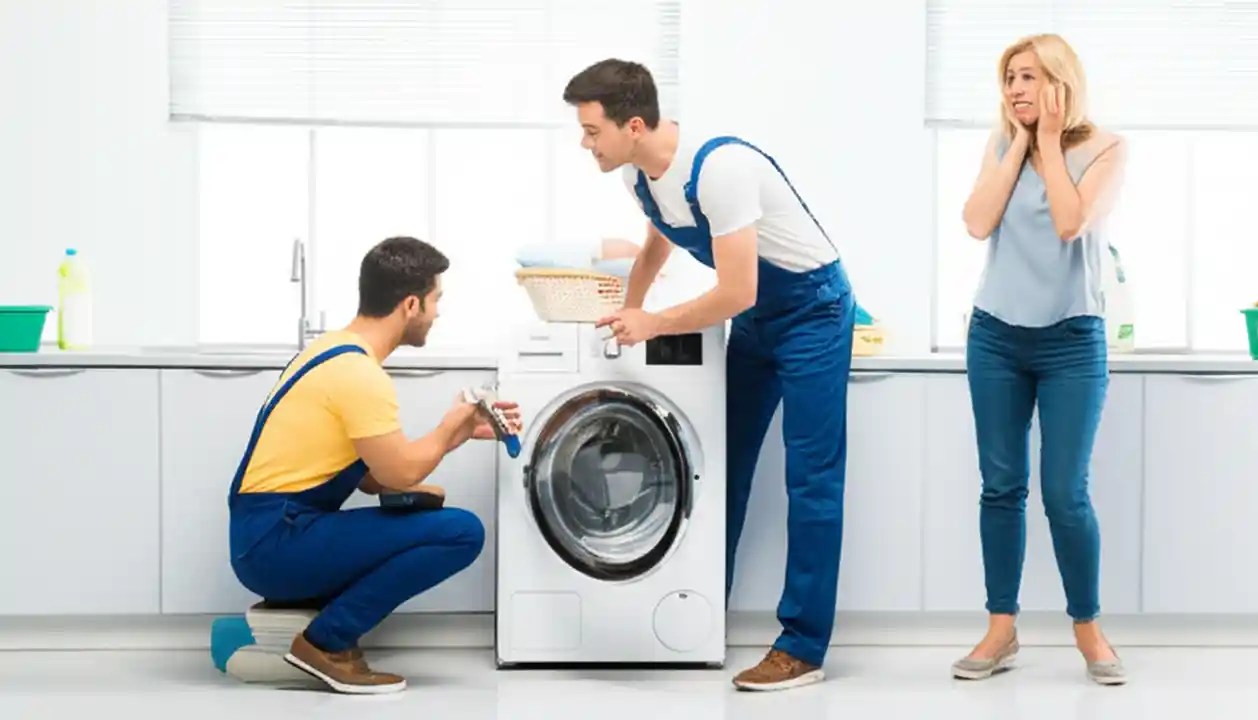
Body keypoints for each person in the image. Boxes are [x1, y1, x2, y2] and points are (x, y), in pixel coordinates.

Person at [562, 59, 856, 692]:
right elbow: (655, 248)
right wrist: (626, 313)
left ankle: (802, 646)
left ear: (633, 124)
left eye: (591, 132)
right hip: (757, 317)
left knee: (812, 479)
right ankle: (695, 617)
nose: (585, 144)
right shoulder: (640, 178)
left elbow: (739, 290)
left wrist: (657, 323)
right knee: (716, 470)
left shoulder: (719, 169)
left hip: (813, 311)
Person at [226, 236, 521, 694]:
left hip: (267, 534)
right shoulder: (359, 375)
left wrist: (457, 436)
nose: (438, 312)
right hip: (275, 542)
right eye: (436, 300)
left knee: (424, 511)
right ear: (410, 305)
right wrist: (447, 429)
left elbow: (372, 477)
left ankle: (320, 638)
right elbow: (399, 474)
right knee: (462, 531)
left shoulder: (332, 352)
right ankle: (326, 643)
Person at [952, 34, 1128, 686]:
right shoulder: (1001, 146)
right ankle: (1002, 628)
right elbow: (975, 222)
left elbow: (1070, 222)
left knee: (1064, 492)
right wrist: (1022, 142)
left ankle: (1088, 627)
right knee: (1000, 486)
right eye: (1009, 80)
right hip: (996, 335)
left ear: (1060, 81)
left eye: (1028, 77)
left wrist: (1049, 143)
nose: (1016, 89)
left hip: (1072, 341)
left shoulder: (1106, 149)